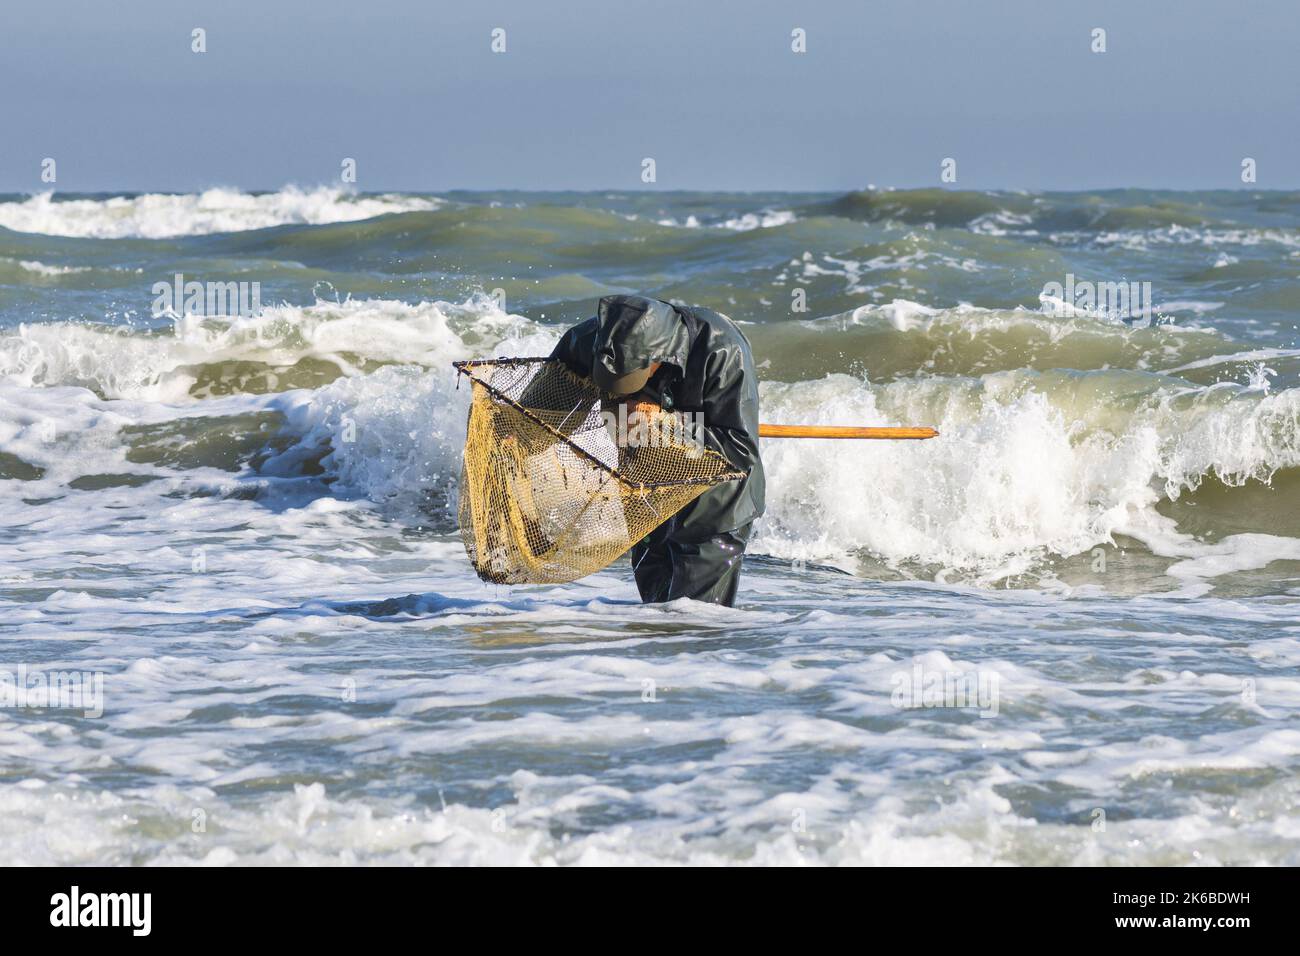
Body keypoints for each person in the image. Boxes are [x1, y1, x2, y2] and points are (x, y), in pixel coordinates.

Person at [548, 294, 765, 607]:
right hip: (645, 503)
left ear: (657, 358)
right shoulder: (588, 341)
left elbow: (740, 451)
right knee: (655, 625)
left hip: (716, 508)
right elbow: (543, 405)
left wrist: (665, 423)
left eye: (630, 381)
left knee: (694, 624)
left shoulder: (722, 348)